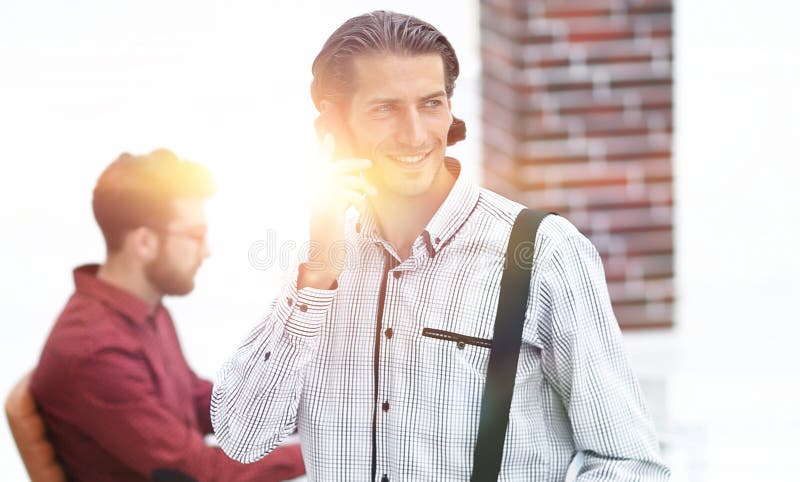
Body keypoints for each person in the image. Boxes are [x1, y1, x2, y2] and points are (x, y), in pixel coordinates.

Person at [211, 11, 670, 481]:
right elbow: (242, 437)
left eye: (430, 104)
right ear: (335, 128)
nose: (415, 134)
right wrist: (319, 270)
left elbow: (629, 463)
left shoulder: (544, 253)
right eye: (384, 108)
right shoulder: (322, 272)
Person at [30, 149, 305, 482]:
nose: (206, 251)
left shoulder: (147, 311)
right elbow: (198, 472)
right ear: (144, 242)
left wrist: (307, 409)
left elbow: (195, 399)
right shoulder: (95, 350)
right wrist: (321, 446)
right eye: (195, 236)